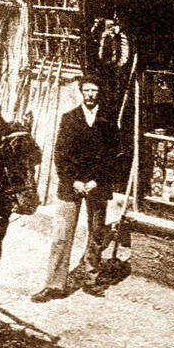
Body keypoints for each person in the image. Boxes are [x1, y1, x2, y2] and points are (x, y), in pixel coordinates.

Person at [33, 77, 119, 302]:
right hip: (71, 186)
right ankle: (54, 284)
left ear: (99, 93)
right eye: (87, 90)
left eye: (94, 90)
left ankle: (91, 278)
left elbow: (114, 156)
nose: (90, 94)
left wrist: (97, 181)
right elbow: (60, 154)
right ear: (81, 92)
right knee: (61, 233)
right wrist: (74, 181)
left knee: (96, 233)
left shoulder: (108, 120)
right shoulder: (69, 118)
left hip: (97, 186)